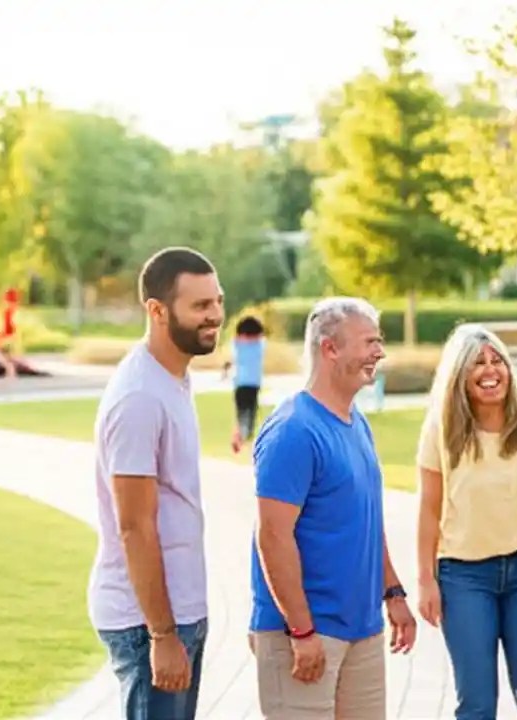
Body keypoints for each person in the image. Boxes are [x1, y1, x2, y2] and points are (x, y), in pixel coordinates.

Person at [250, 296, 417, 720]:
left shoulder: (356, 422)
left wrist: (393, 592)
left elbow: (366, 519)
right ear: (330, 349)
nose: (379, 352)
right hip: (304, 632)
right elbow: (272, 536)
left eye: (379, 341)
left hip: (362, 629)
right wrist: (301, 630)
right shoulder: (293, 430)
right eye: (369, 342)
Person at [416, 323, 517, 720]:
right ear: (459, 374)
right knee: (475, 703)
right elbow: (429, 510)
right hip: (464, 578)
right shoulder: (441, 428)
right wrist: (425, 580)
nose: (490, 370)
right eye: (477, 363)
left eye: (497, 361)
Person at [89, 246, 224, 720]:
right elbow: (134, 526)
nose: (215, 316)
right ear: (157, 310)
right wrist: (162, 635)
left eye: (218, 301)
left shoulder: (172, 377)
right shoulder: (139, 397)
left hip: (180, 612)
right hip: (147, 623)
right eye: (200, 305)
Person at [223, 314, 266, 453]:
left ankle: (239, 438)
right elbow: (260, 337)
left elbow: (230, 357)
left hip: (240, 384)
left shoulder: (237, 345)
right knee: (251, 413)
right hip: (254, 384)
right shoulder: (260, 345)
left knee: (241, 414)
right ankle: (243, 438)